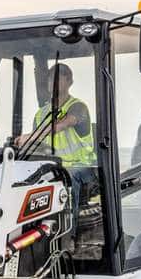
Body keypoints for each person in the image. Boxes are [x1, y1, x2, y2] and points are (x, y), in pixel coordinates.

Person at [32, 63, 97, 213]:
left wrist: (30, 136)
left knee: (67, 177)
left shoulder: (78, 108)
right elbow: (35, 145)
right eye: (50, 79)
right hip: (54, 167)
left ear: (69, 82)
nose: (52, 82)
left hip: (82, 166)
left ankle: (69, 233)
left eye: (58, 78)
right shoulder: (40, 114)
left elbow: (63, 124)